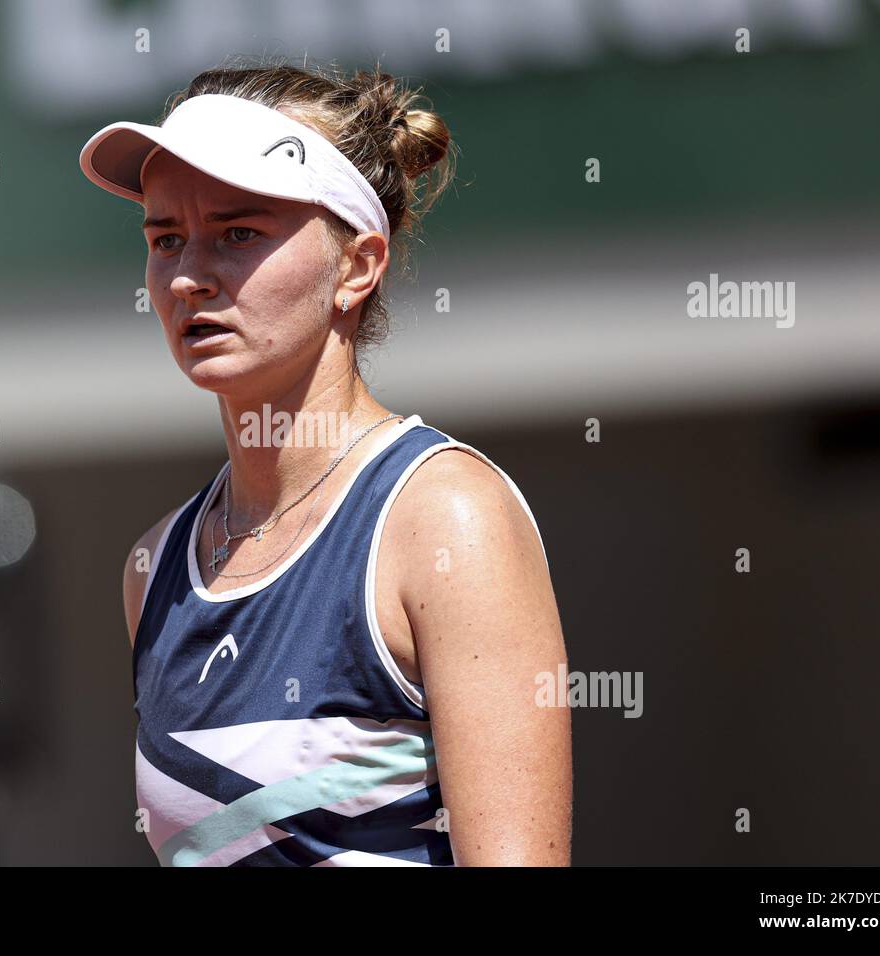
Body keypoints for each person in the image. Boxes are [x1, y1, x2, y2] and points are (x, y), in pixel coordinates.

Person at [80, 58, 571, 866]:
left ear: (358, 265)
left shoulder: (445, 518)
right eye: (166, 238)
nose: (189, 276)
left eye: (239, 233)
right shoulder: (155, 567)